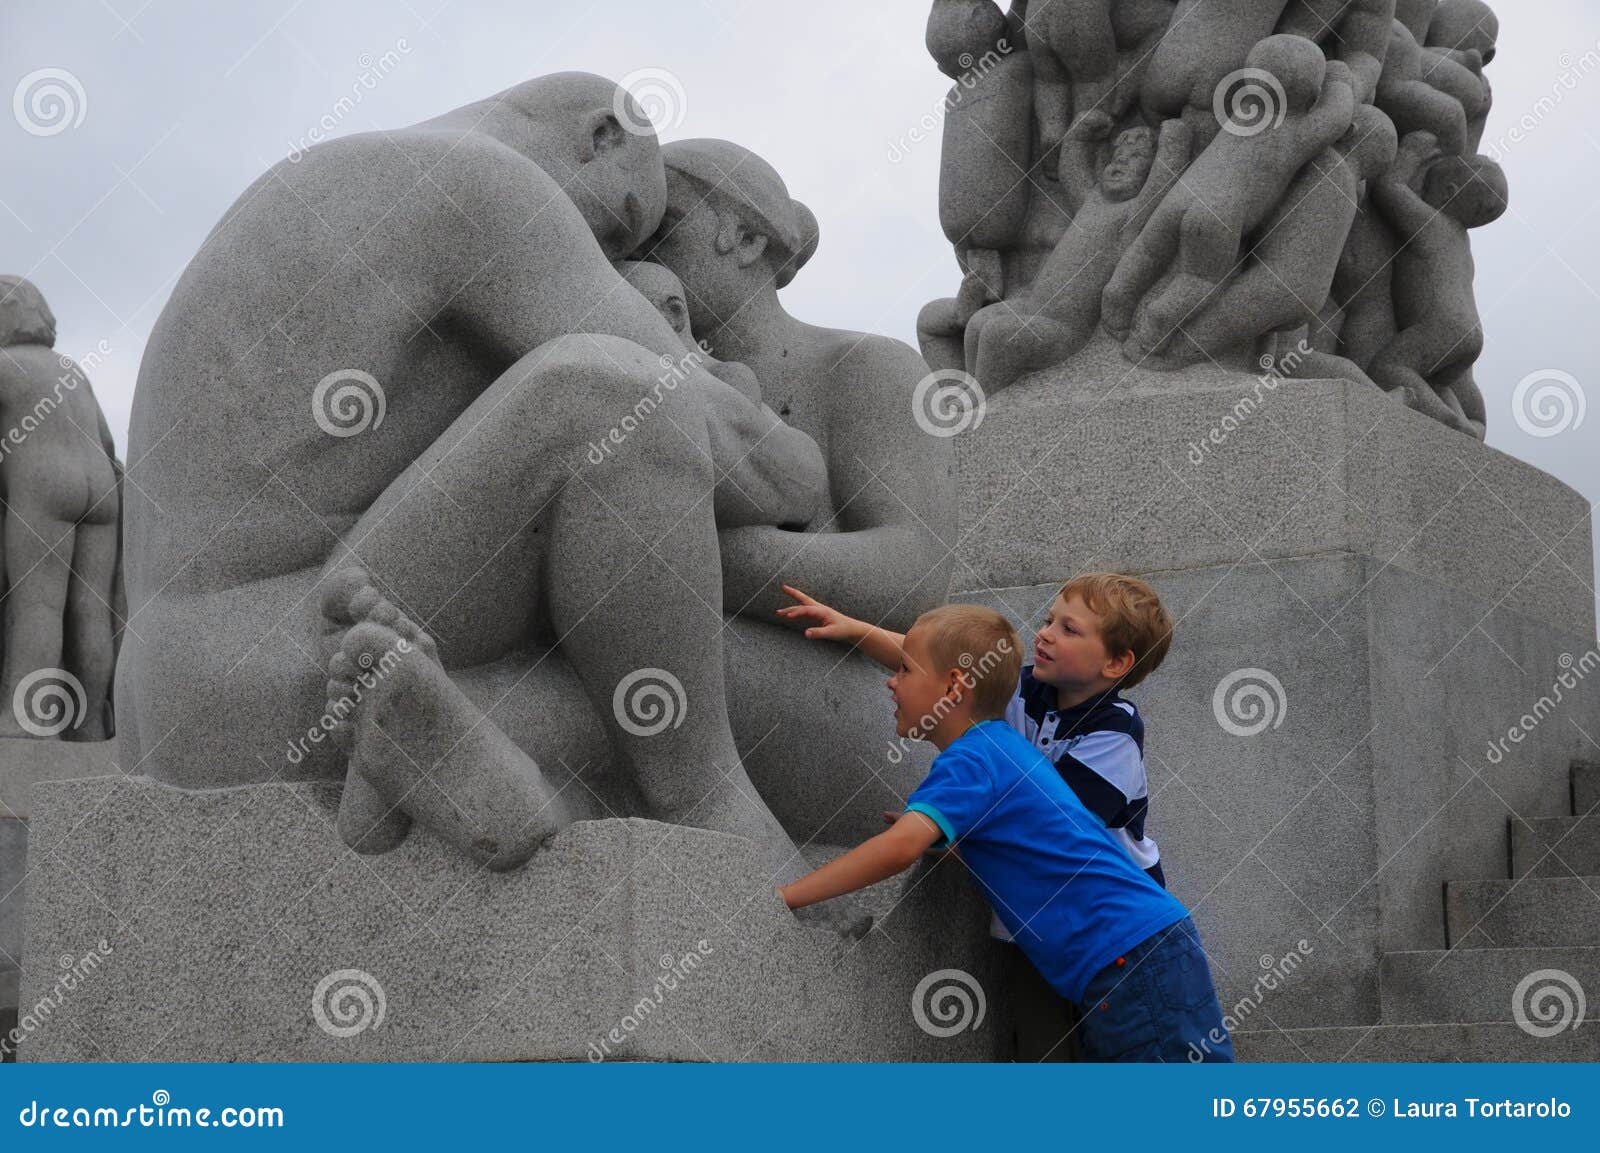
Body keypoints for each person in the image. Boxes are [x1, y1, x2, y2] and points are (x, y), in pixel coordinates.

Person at [775, 600, 1229, 1062]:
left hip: (1130, 953)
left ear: (954, 688)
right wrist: (855, 628)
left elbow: (898, 849)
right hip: (1126, 953)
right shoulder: (997, 745)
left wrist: (785, 896)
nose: (893, 681)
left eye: (906, 672)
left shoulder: (976, 758)